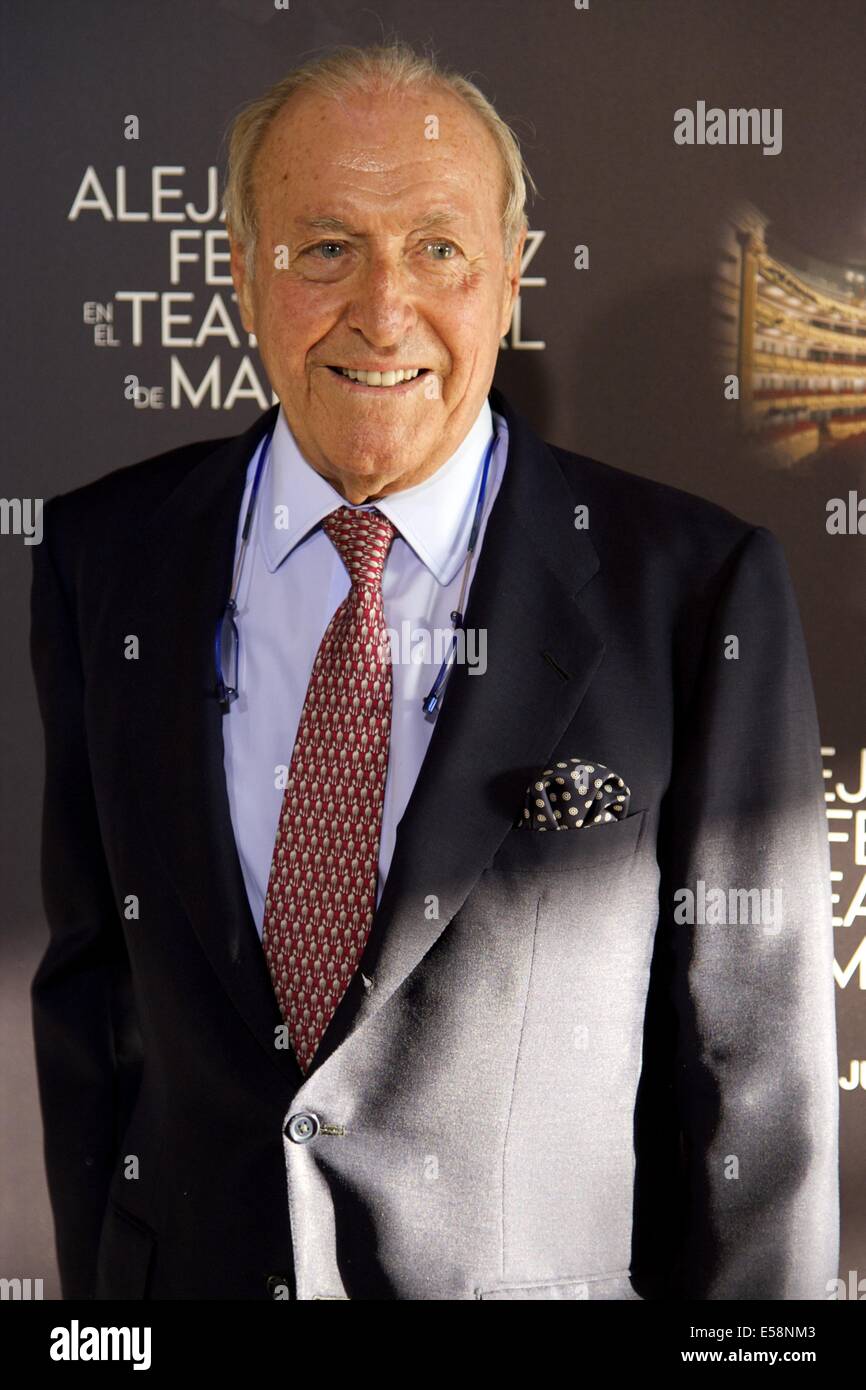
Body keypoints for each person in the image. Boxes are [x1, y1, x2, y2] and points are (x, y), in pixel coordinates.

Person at [30, 38, 838, 1301]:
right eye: (324, 247)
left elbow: (758, 1096)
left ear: (511, 275)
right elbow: (92, 1010)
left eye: (438, 248)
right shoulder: (104, 556)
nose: (382, 309)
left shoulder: (690, 588)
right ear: (241, 272)